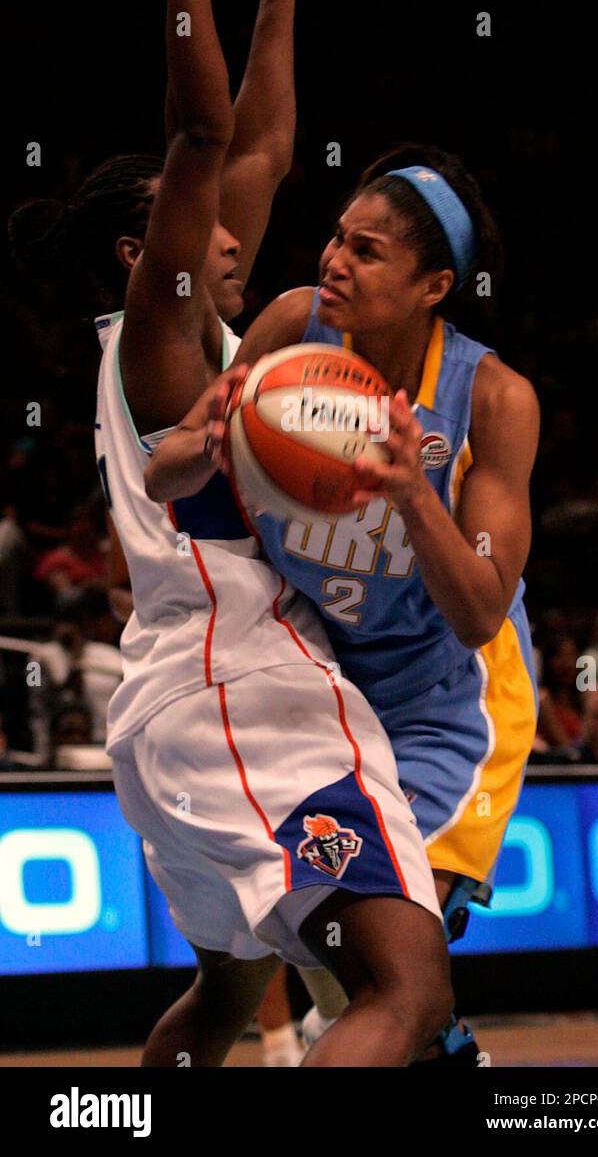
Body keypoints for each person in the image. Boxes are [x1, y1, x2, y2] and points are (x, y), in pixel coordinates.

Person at [10, 0, 452, 1067]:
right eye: (186, 221)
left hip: (176, 708)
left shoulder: (197, 338)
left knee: (222, 1001)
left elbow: (255, 143)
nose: (223, 229)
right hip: (242, 685)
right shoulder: (152, 334)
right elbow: (206, 136)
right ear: (136, 253)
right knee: (404, 985)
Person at [148, 141, 541, 1064]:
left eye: (367, 251)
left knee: (389, 962)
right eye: (335, 237)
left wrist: (411, 490)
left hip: (450, 711)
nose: (333, 260)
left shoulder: (490, 399)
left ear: (433, 286)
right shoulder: (293, 328)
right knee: (352, 972)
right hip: (324, 699)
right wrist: (215, 429)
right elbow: (165, 475)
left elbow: (480, 611)